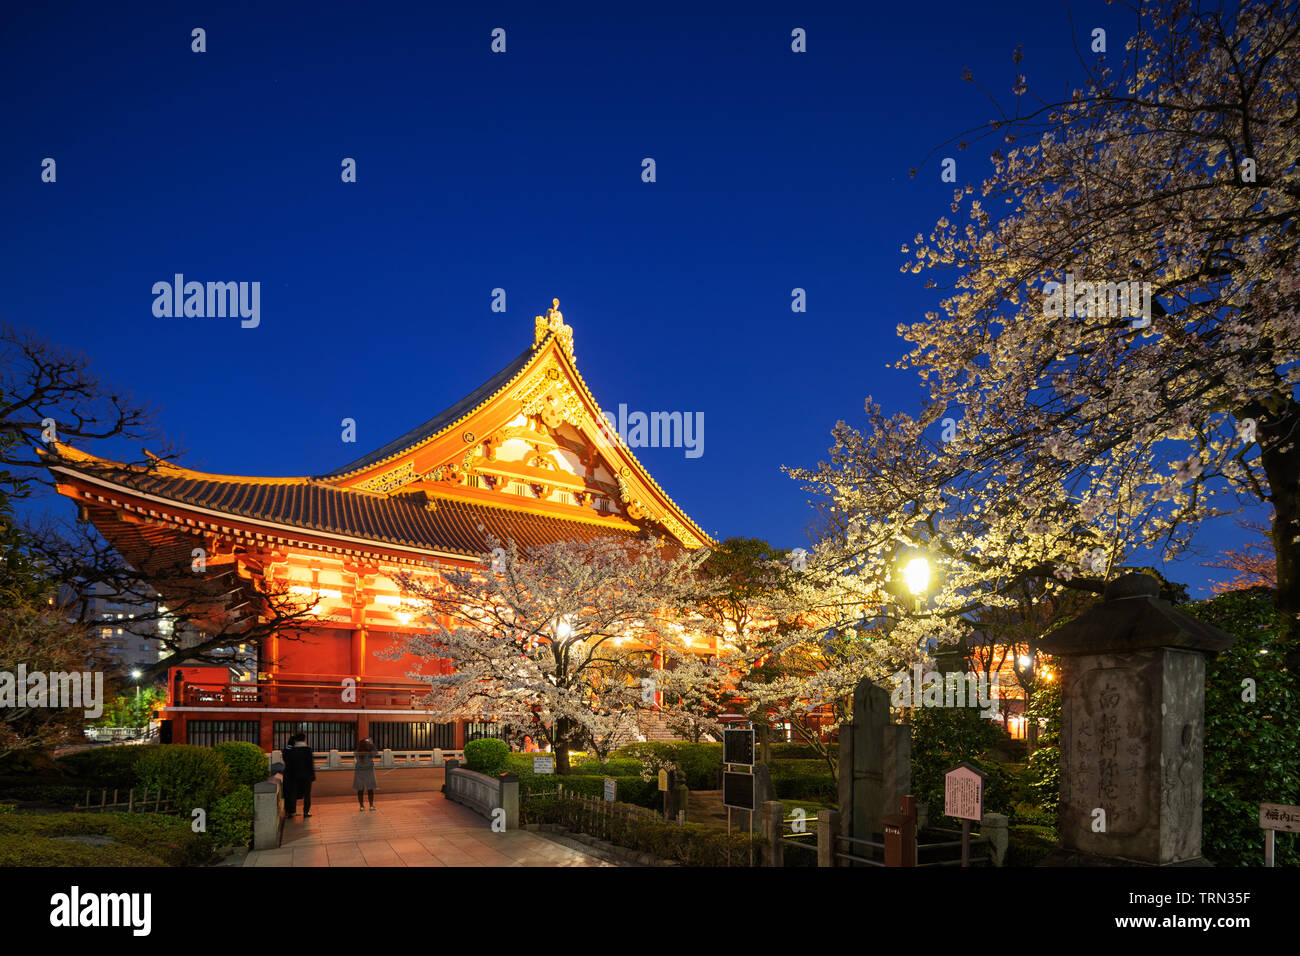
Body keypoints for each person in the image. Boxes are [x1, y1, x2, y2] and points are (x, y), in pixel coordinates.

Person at [282, 732, 316, 818]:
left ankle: (291, 812)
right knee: (307, 794)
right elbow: (310, 764)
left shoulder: (291, 750)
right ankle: (306, 812)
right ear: (304, 739)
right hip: (306, 776)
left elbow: (286, 759)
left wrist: (289, 744)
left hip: (294, 775)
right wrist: (312, 775)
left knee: (293, 793)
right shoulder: (308, 749)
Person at [353, 738, 377, 811]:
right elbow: (375, 752)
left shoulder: (357, 752)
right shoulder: (369, 753)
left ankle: (361, 806)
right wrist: (371, 743)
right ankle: (371, 805)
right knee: (370, 789)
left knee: (360, 789)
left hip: (359, 772)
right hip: (369, 772)